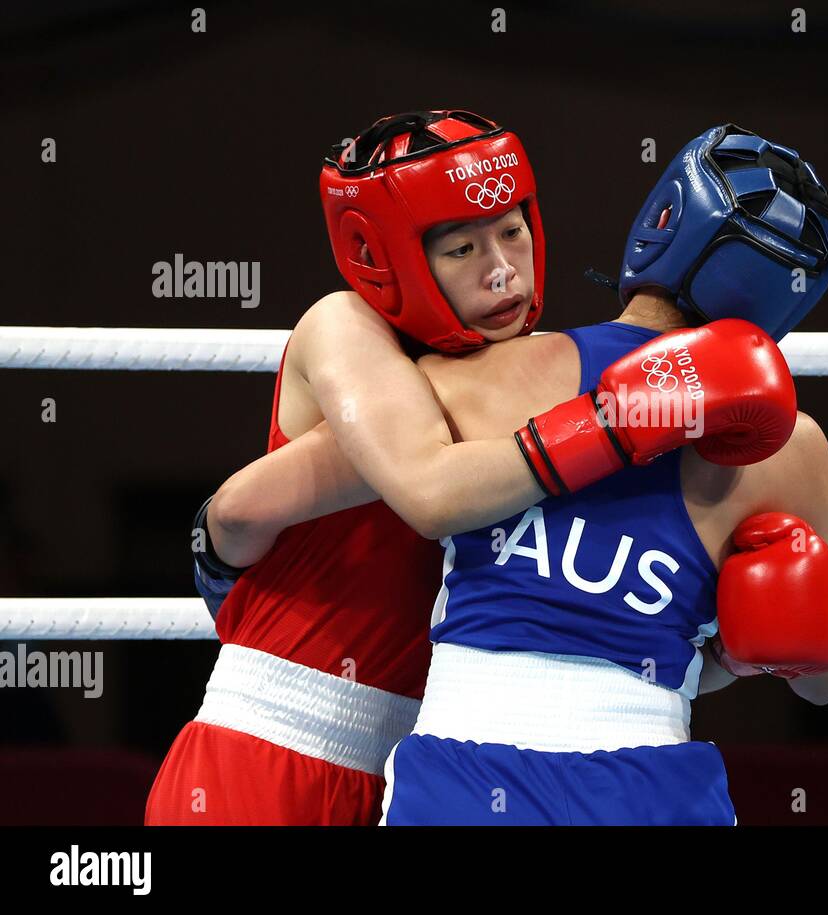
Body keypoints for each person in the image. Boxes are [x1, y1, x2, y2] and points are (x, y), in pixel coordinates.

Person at [208, 124, 828, 823]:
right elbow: (822, 672)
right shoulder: (792, 451)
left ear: (661, 225)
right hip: (650, 784)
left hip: (461, 777)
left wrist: (216, 557)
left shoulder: (486, 376)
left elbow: (264, 501)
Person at [145, 110, 547, 825]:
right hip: (267, 758)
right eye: (461, 248)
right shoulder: (344, 325)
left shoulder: (529, 372)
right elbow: (240, 511)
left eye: (511, 231)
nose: (502, 269)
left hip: (414, 776)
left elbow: (236, 515)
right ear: (385, 257)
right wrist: (610, 418)